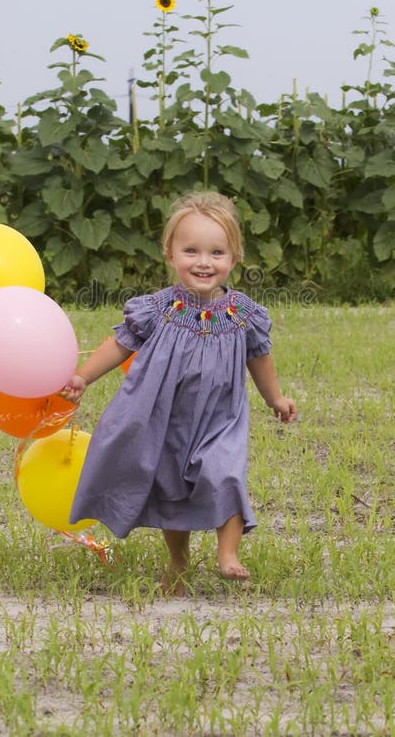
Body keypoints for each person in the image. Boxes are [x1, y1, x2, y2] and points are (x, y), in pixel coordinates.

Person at [64, 191, 296, 591]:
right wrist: (84, 376)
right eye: (191, 250)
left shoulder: (244, 314)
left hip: (220, 417)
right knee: (170, 487)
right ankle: (178, 560)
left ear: (234, 258)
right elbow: (120, 343)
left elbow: (260, 357)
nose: (204, 261)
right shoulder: (156, 307)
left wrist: (274, 398)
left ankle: (228, 554)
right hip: (165, 414)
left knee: (225, 472)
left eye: (216, 252)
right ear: (170, 254)